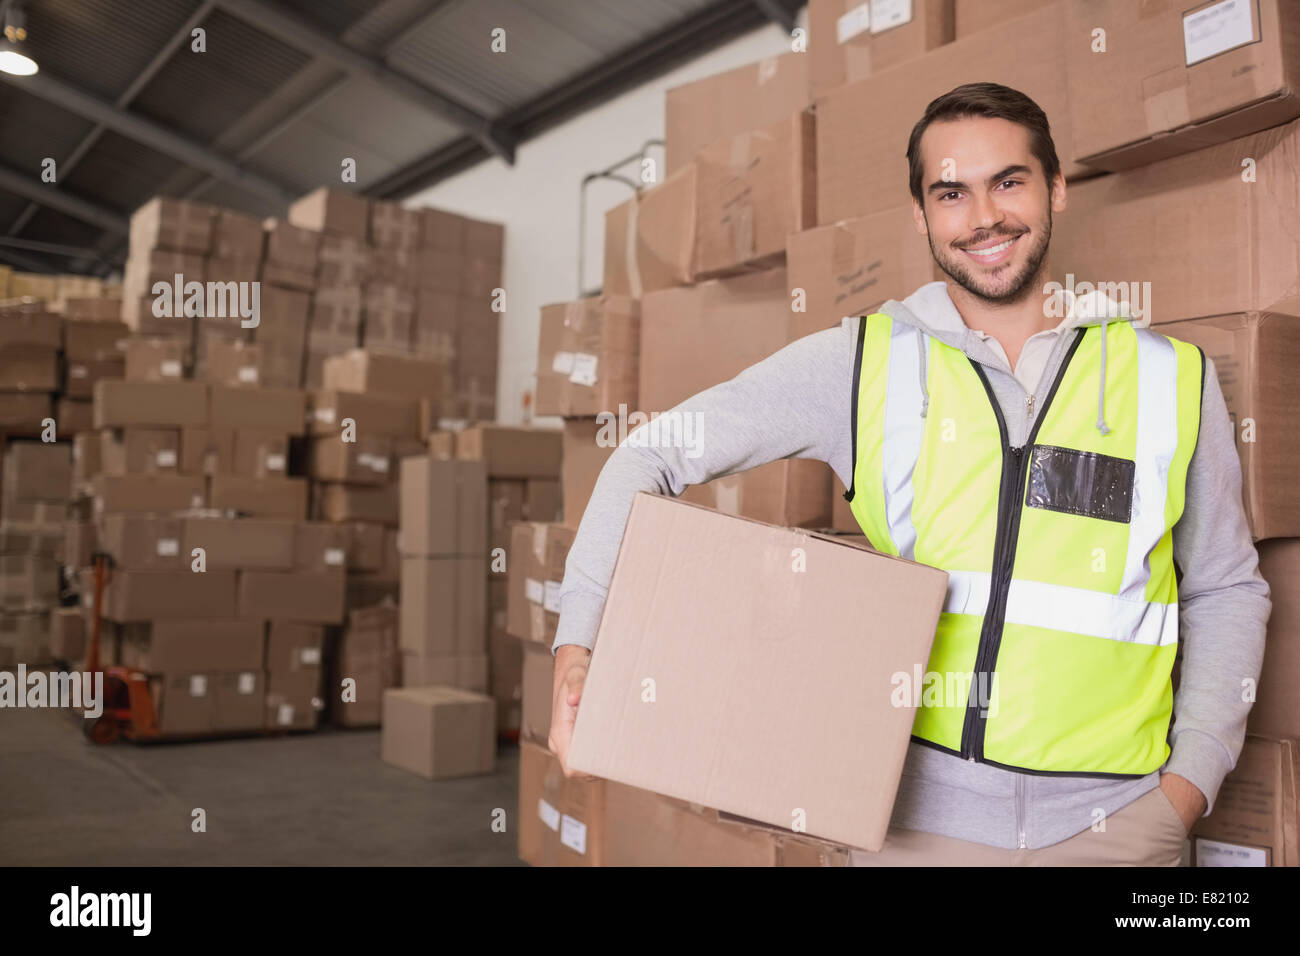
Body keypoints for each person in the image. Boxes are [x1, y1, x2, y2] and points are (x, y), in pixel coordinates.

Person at [547, 82, 1271, 866]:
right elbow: (649, 452)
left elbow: (1225, 588)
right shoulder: (863, 364)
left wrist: (1188, 785)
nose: (984, 217)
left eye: (1010, 182)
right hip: (916, 833)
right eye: (952, 192)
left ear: (1057, 188)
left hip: (1124, 827)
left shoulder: (1170, 379)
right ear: (921, 215)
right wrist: (576, 646)